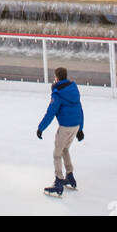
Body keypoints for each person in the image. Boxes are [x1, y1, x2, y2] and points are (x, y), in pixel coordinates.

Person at [37, 66, 84, 197]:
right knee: (65, 150)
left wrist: (41, 128)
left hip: (65, 127)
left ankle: (59, 181)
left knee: (57, 154)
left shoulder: (58, 93)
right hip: (75, 125)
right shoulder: (73, 89)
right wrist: (81, 128)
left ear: (56, 78)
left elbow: (51, 112)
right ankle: (70, 176)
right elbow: (80, 109)